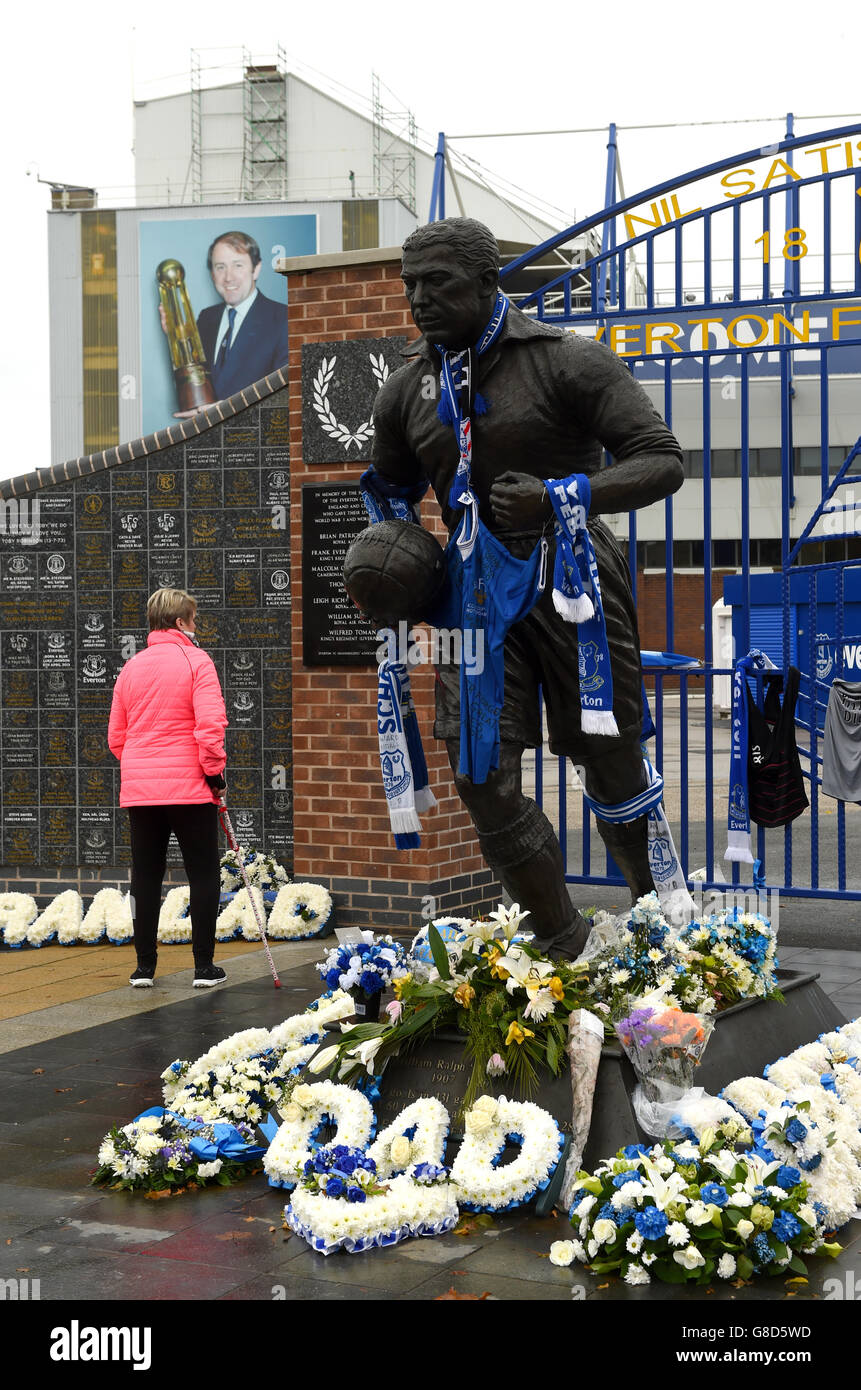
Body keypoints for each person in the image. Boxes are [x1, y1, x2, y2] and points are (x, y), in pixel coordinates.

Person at [369, 217, 685, 959]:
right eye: (410, 285)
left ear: (487, 284)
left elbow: (660, 459)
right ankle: (561, 940)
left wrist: (560, 495)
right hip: (470, 591)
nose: (418, 299)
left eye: (437, 283)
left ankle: (662, 924)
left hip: (569, 571)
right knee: (481, 776)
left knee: (607, 755)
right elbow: (387, 490)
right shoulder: (406, 388)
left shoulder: (566, 361)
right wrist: (391, 558)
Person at [108, 588, 229, 988]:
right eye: (193, 620)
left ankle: (144, 968)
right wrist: (214, 774)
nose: (197, 628)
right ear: (181, 622)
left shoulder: (131, 668)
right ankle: (203, 967)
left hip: (142, 792)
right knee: (203, 873)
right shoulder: (198, 661)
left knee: (145, 875)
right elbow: (210, 728)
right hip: (191, 788)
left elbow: (116, 738)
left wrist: (143, 768)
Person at [161, 230, 289, 412]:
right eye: (220, 267)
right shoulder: (206, 318)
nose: (229, 277)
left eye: (238, 265)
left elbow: (285, 395)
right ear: (212, 274)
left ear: (256, 269)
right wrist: (175, 336)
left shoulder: (283, 319)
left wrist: (227, 410)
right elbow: (198, 384)